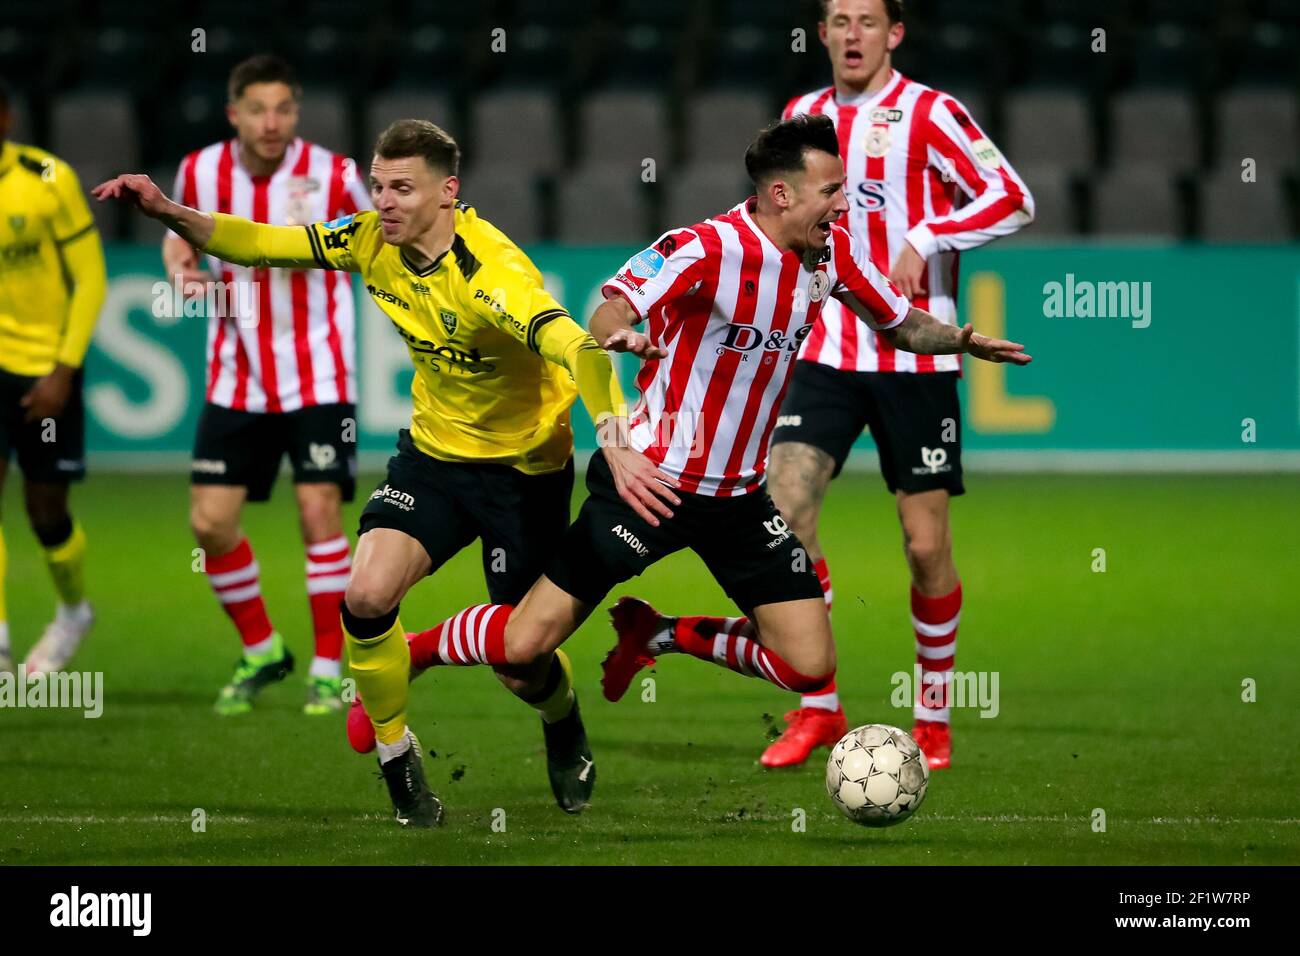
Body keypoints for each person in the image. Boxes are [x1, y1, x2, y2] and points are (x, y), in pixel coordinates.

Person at [386, 115, 1029, 804]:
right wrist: (624, 341)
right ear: (781, 195)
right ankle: (420, 647)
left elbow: (899, 323)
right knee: (521, 648)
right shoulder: (705, 247)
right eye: (831, 190)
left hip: (741, 500)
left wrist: (957, 338)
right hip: (651, 486)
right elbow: (607, 307)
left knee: (809, 665)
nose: (845, 203)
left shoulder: (832, 255)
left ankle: (660, 632)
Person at [93, 118, 666, 827]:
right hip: (431, 459)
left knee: (522, 660)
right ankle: (398, 761)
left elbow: (578, 350)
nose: (383, 201)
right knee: (364, 595)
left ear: (447, 192)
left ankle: (562, 720)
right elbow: (266, 242)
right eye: (377, 185)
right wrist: (170, 213)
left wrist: (614, 436)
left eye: (401, 188)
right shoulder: (368, 240)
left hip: (522, 474)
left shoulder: (494, 275)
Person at [734, 0, 1034, 768]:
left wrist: (927, 236)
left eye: (868, 20)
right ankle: (819, 707)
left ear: (894, 33)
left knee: (924, 545)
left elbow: (1013, 197)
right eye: (839, 20)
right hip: (827, 348)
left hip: (914, 354)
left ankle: (932, 716)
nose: (853, 34)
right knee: (786, 508)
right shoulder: (802, 114)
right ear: (823, 32)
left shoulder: (931, 112)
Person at [164, 55, 371, 716]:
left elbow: (379, 240)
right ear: (234, 114)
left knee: (317, 512)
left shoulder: (334, 174)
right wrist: (181, 271)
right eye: (258, 109)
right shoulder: (200, 171)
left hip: (320, 373)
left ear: (297, 112)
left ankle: (327, 667)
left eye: (284, 108)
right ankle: (262, 648)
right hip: (236, 379)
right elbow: (180, 240)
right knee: (210, 523)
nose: (272, 122)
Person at [0, 77, 106, 677]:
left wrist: (62, 371)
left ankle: (72, 610)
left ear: (7, 118)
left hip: (44, 367)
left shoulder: (47, 179)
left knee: (45, 510)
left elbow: (90, 278)